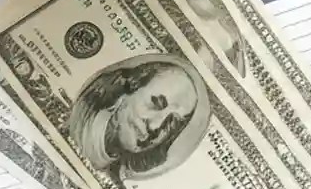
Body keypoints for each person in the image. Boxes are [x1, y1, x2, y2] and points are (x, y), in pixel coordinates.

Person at [68, 56, 208, 180]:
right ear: (126, 89)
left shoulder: (112, 175)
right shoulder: (74, 127)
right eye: (156, 103)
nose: (155, 126)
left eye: (171, 123)